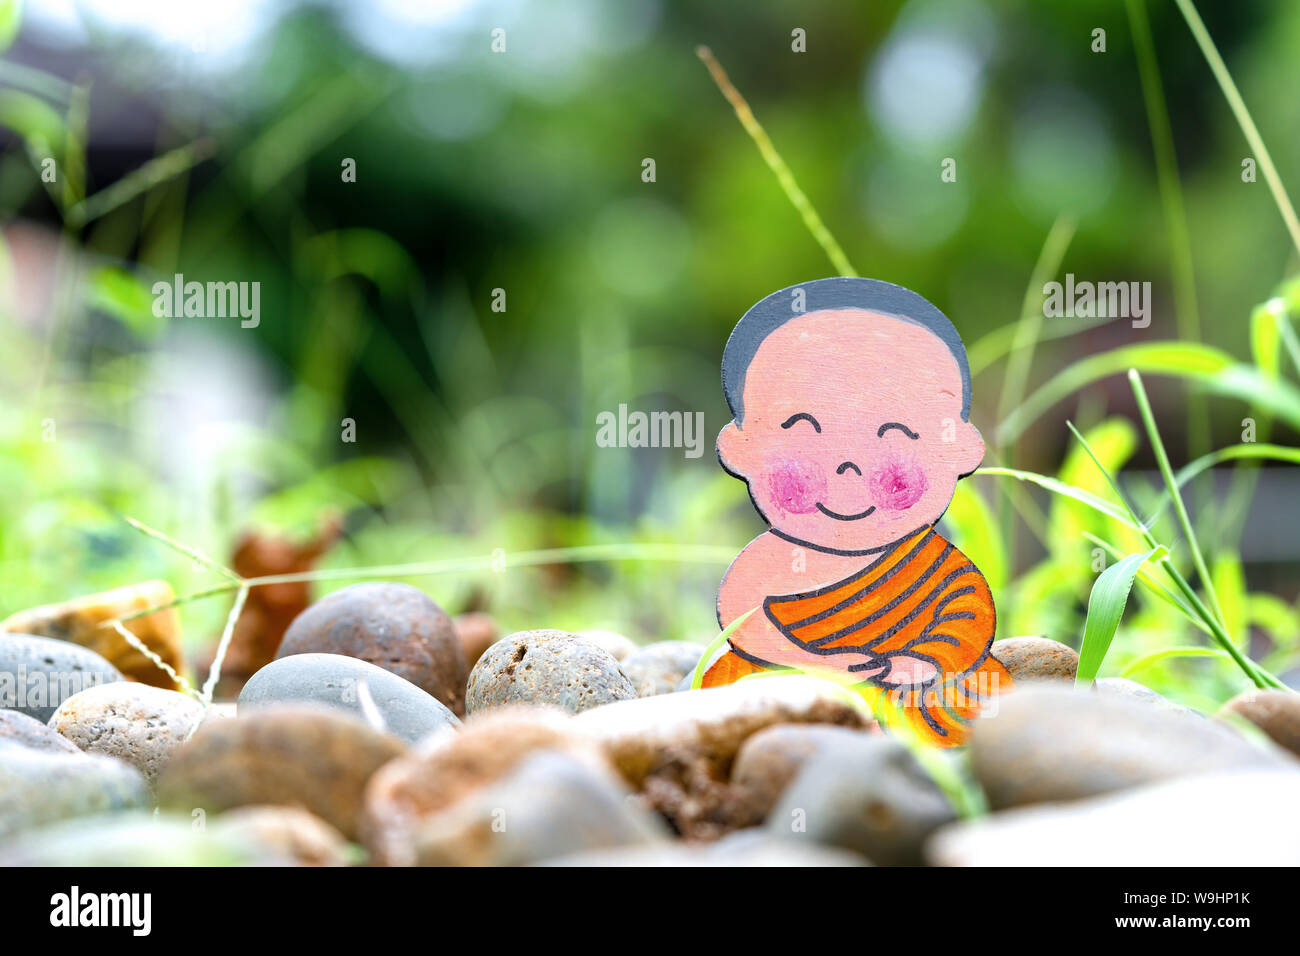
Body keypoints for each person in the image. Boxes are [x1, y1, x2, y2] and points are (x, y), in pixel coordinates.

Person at [704, 277, 1010, 745]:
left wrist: (924, 662)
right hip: (791, 677)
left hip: (909, 681)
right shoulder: (767, 564)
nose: (848, 467)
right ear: (740, 447)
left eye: (895, 436)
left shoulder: (933, 564)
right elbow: (746, 622)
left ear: (960, 449)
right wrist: (811, 664)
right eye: (805, 433)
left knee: (982, 693)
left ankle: (889, 742)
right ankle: (802, 739)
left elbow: (966, 616)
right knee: (731, 686)